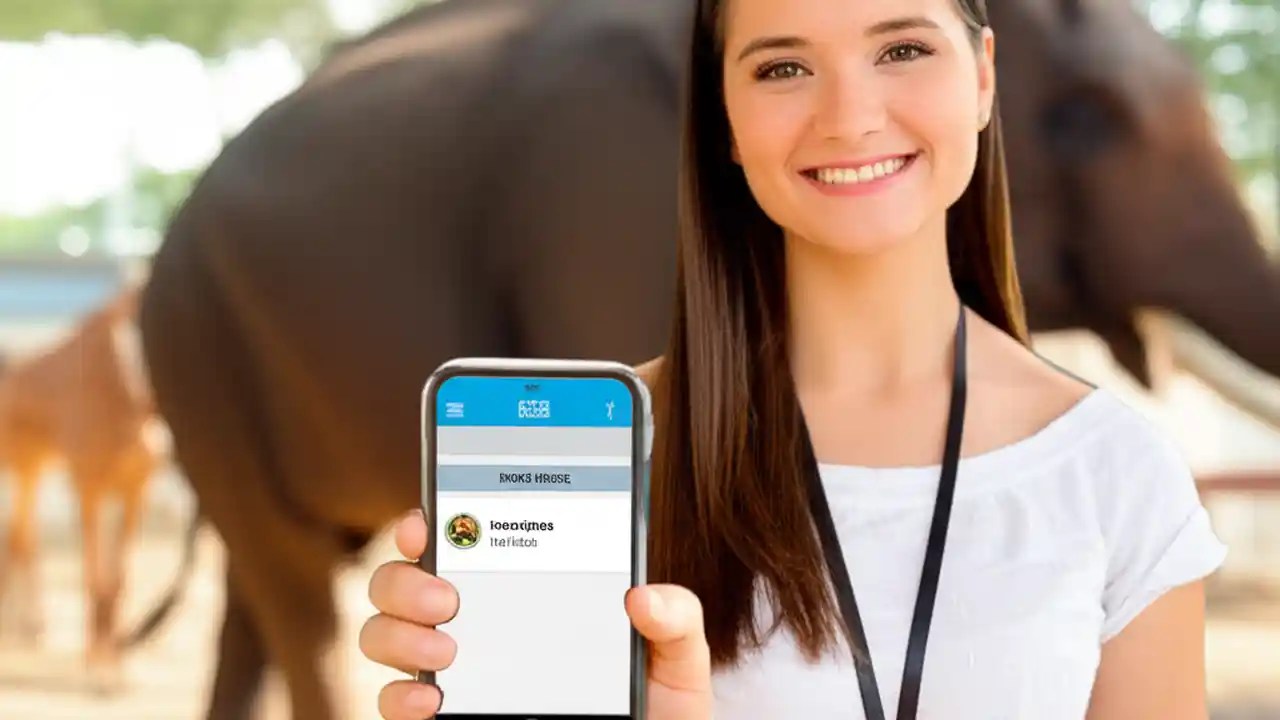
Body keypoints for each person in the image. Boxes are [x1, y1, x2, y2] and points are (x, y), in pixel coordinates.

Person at [358, 0, 1228, 717]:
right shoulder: (613, 460)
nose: (850, 116)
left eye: (903, 48)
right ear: (724, 119)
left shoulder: (1115, 471)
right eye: (782, 67)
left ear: (984, 77)